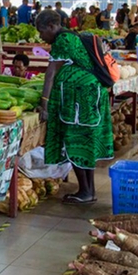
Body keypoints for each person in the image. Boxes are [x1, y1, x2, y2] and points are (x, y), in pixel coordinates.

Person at [36, 10, 113, 205]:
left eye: (42, 31)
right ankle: (89, 190)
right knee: (84, 142)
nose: (41, 36)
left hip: (81, 100)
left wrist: (44, 102)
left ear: (52, 26)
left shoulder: (63, 41)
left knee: (76, 140)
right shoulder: (72, 36)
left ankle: (86, 191)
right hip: (87, 96)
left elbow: (51, 73)